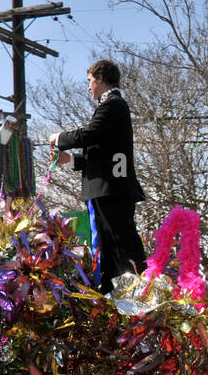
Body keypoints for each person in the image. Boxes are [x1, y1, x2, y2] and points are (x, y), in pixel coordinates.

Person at [49, 59, 147, 294]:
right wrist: (70, 160)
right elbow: (104, 154)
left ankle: (135, 290)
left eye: (90, 81)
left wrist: (60, 137)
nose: (89, 87)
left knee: (120, 243)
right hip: (108, 187)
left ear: (100, 78)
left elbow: (90, 134)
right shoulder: (112, 106)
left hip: (111, 189)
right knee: (108, 245)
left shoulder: (113, 105)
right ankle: (114, 292)